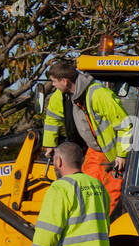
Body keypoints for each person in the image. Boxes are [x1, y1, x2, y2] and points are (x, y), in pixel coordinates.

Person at [43, 59, 131, 213]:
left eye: (54, 82)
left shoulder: (99, 94)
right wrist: (50, 144)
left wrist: (121, 155)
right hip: (94, 150)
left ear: (65, 81)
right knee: (86, 189)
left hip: (110, 154)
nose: (53, 85)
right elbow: (52, 119)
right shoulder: (61, 96)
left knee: (110, 193)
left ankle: (106, 227)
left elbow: (125, 125)